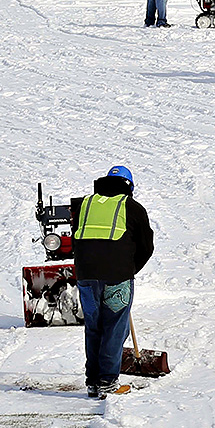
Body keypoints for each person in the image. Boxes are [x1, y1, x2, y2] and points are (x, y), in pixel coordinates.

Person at [71, 164, 155, 400]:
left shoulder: (84, 205)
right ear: (130, 186)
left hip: (86, 276)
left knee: (94, 326)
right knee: (115, 328)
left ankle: (93, 382)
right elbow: (146, 247)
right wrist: (129, 270)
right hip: (117, 277)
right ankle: (107, 381)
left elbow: (77, 240)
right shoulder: (131, 207)